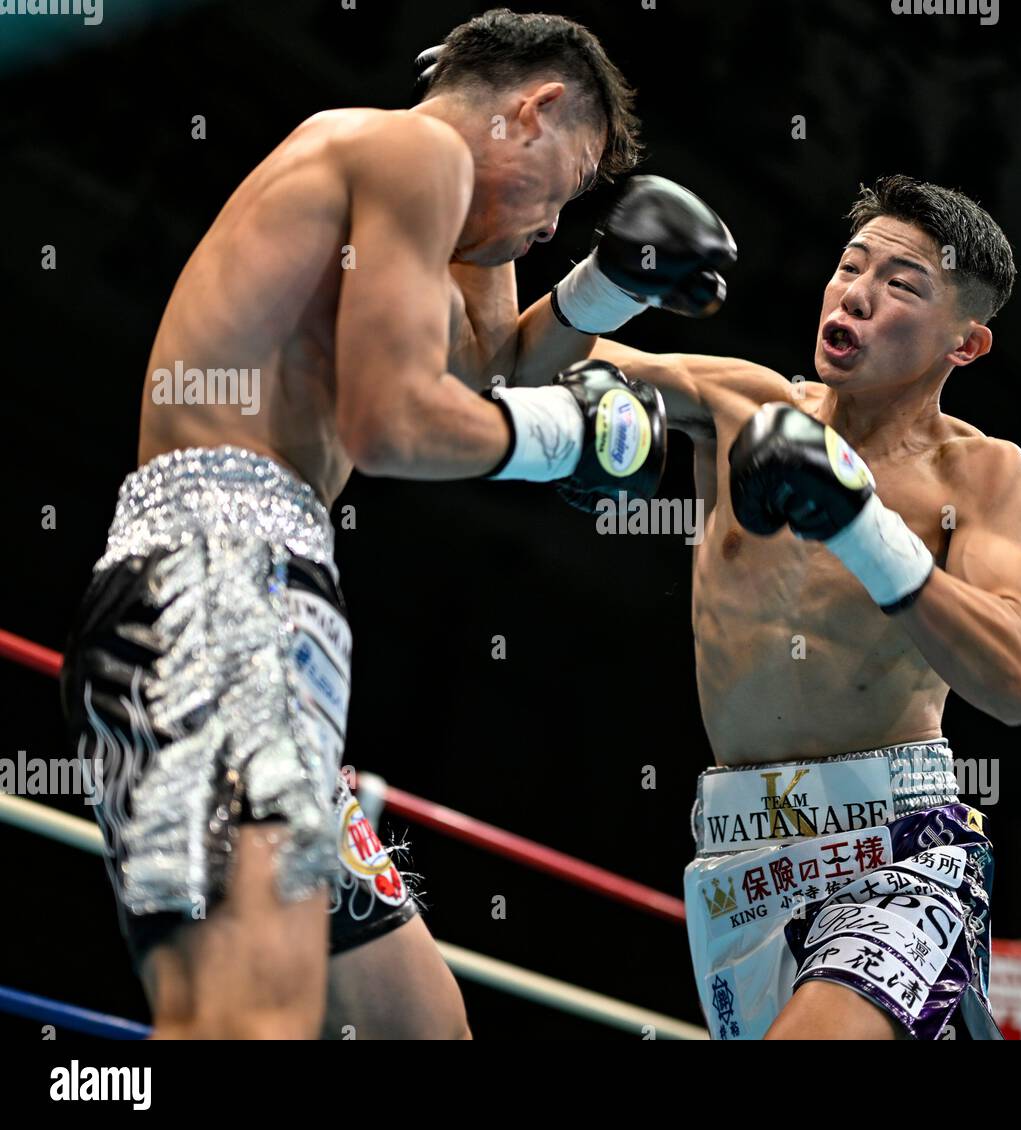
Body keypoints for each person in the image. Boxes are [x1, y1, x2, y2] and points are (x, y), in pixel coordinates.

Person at [59, 8, 734, 1040]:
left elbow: (483, 373)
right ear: (534, 108)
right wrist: (575, 434)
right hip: (219, 582)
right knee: (246, 1014)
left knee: (417, 1023)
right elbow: (396, 419)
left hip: (253, 595)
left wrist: (605, 292)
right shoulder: (412, 147)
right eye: (571, 176)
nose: (557, 223)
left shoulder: (420, 192)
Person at [566, 173, 1021, 1038]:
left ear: (965, 345)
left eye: (901, 286)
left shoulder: (980, 475)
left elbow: (1018, 679)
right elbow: (505, 356)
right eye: (850, 267)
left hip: (899, 845)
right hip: (737, 853)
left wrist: (863, 528)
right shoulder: (741, 405)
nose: (858, 294)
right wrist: (602, 285)